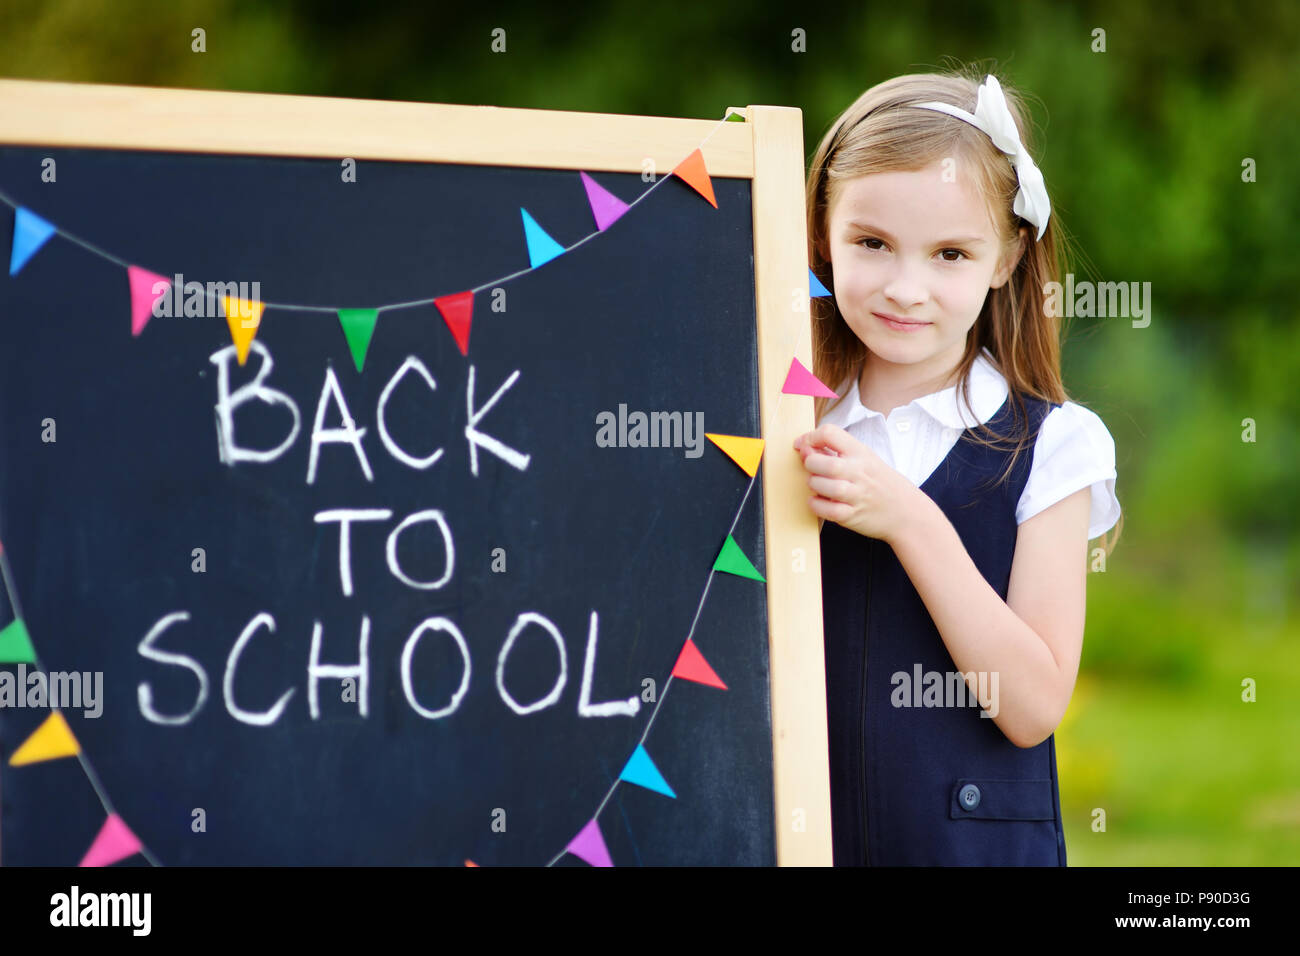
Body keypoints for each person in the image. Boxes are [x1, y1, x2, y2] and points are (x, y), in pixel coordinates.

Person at [793, 67, 1122, 865]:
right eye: (872, 244)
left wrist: (909, 519)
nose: (906, 288)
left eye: (949, 254)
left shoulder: (1053, 445)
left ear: (1007, 258)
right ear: (823, 239)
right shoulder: (786, 425)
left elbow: (1033, 704)